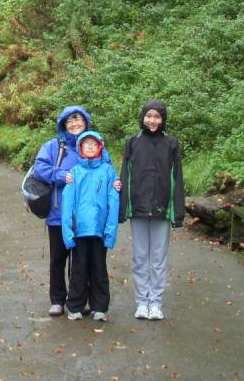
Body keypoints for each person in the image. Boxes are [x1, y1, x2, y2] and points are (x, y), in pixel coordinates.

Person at [32, 107, 115, 317]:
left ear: (85, 122)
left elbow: (108, 170)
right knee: (58, 259)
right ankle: (57, 300)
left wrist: (116, 184)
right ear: (63, 125)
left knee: (81, 261)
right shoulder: (53, 146)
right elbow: (39, 168)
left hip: (86, 218)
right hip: (58, 213)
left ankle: (79, 299)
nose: (74, 124)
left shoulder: (93, 144)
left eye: (78, 119)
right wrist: (62, 175)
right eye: (69, 121)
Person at [118, 99, 186, 321]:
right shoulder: (132, 142)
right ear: (143, 117)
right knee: (140, 258)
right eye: (149, 116)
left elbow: (178, 178)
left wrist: (178, 210)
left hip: (161, 209)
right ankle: (142, 302)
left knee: (158, 259)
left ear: (163, 119)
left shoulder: (171, 143)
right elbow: (125, 175)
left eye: (157, 116)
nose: (152, 120)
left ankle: (155, 303)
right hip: (138, 208)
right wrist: (122, 207)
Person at [61, 131, 119, 321]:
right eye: (86, 144)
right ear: (80, 148)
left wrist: (110, 232)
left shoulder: (108, 171)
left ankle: (100, 307)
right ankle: (75, 306)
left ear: (100, 147)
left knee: (99, 269)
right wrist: (68, 233)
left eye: (94, 144)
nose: (90, 147)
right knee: (78, 270)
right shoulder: (75, 173)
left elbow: (113, 202)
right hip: (79, 231)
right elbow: (67, 204)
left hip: (99, 231)